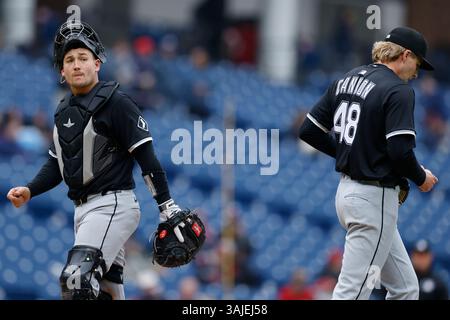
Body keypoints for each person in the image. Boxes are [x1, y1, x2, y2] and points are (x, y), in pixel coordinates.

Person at [6, 21, 189, 300]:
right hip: (84, 213)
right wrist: (30, 189)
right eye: (69, 60)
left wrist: (166, 205)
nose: (77, 64)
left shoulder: (117, 103)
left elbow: (147, 157)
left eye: (83, 57)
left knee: (76, 279)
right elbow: (57, 165)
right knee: (107, 291)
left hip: (112, 205)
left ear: (97, 64)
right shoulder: (63, 112)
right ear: (62, 71)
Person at [299, 27, 439, 300]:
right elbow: (399, 152)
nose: (417, 72)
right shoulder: (398, 90)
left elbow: (309, 130)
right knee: (352, 293)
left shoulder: (347, 79)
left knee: (405, 289)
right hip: (372, 201)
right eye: (417, 63)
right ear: (406, 55)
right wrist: (421, 178)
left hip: (350, 194)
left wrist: (351, 154)